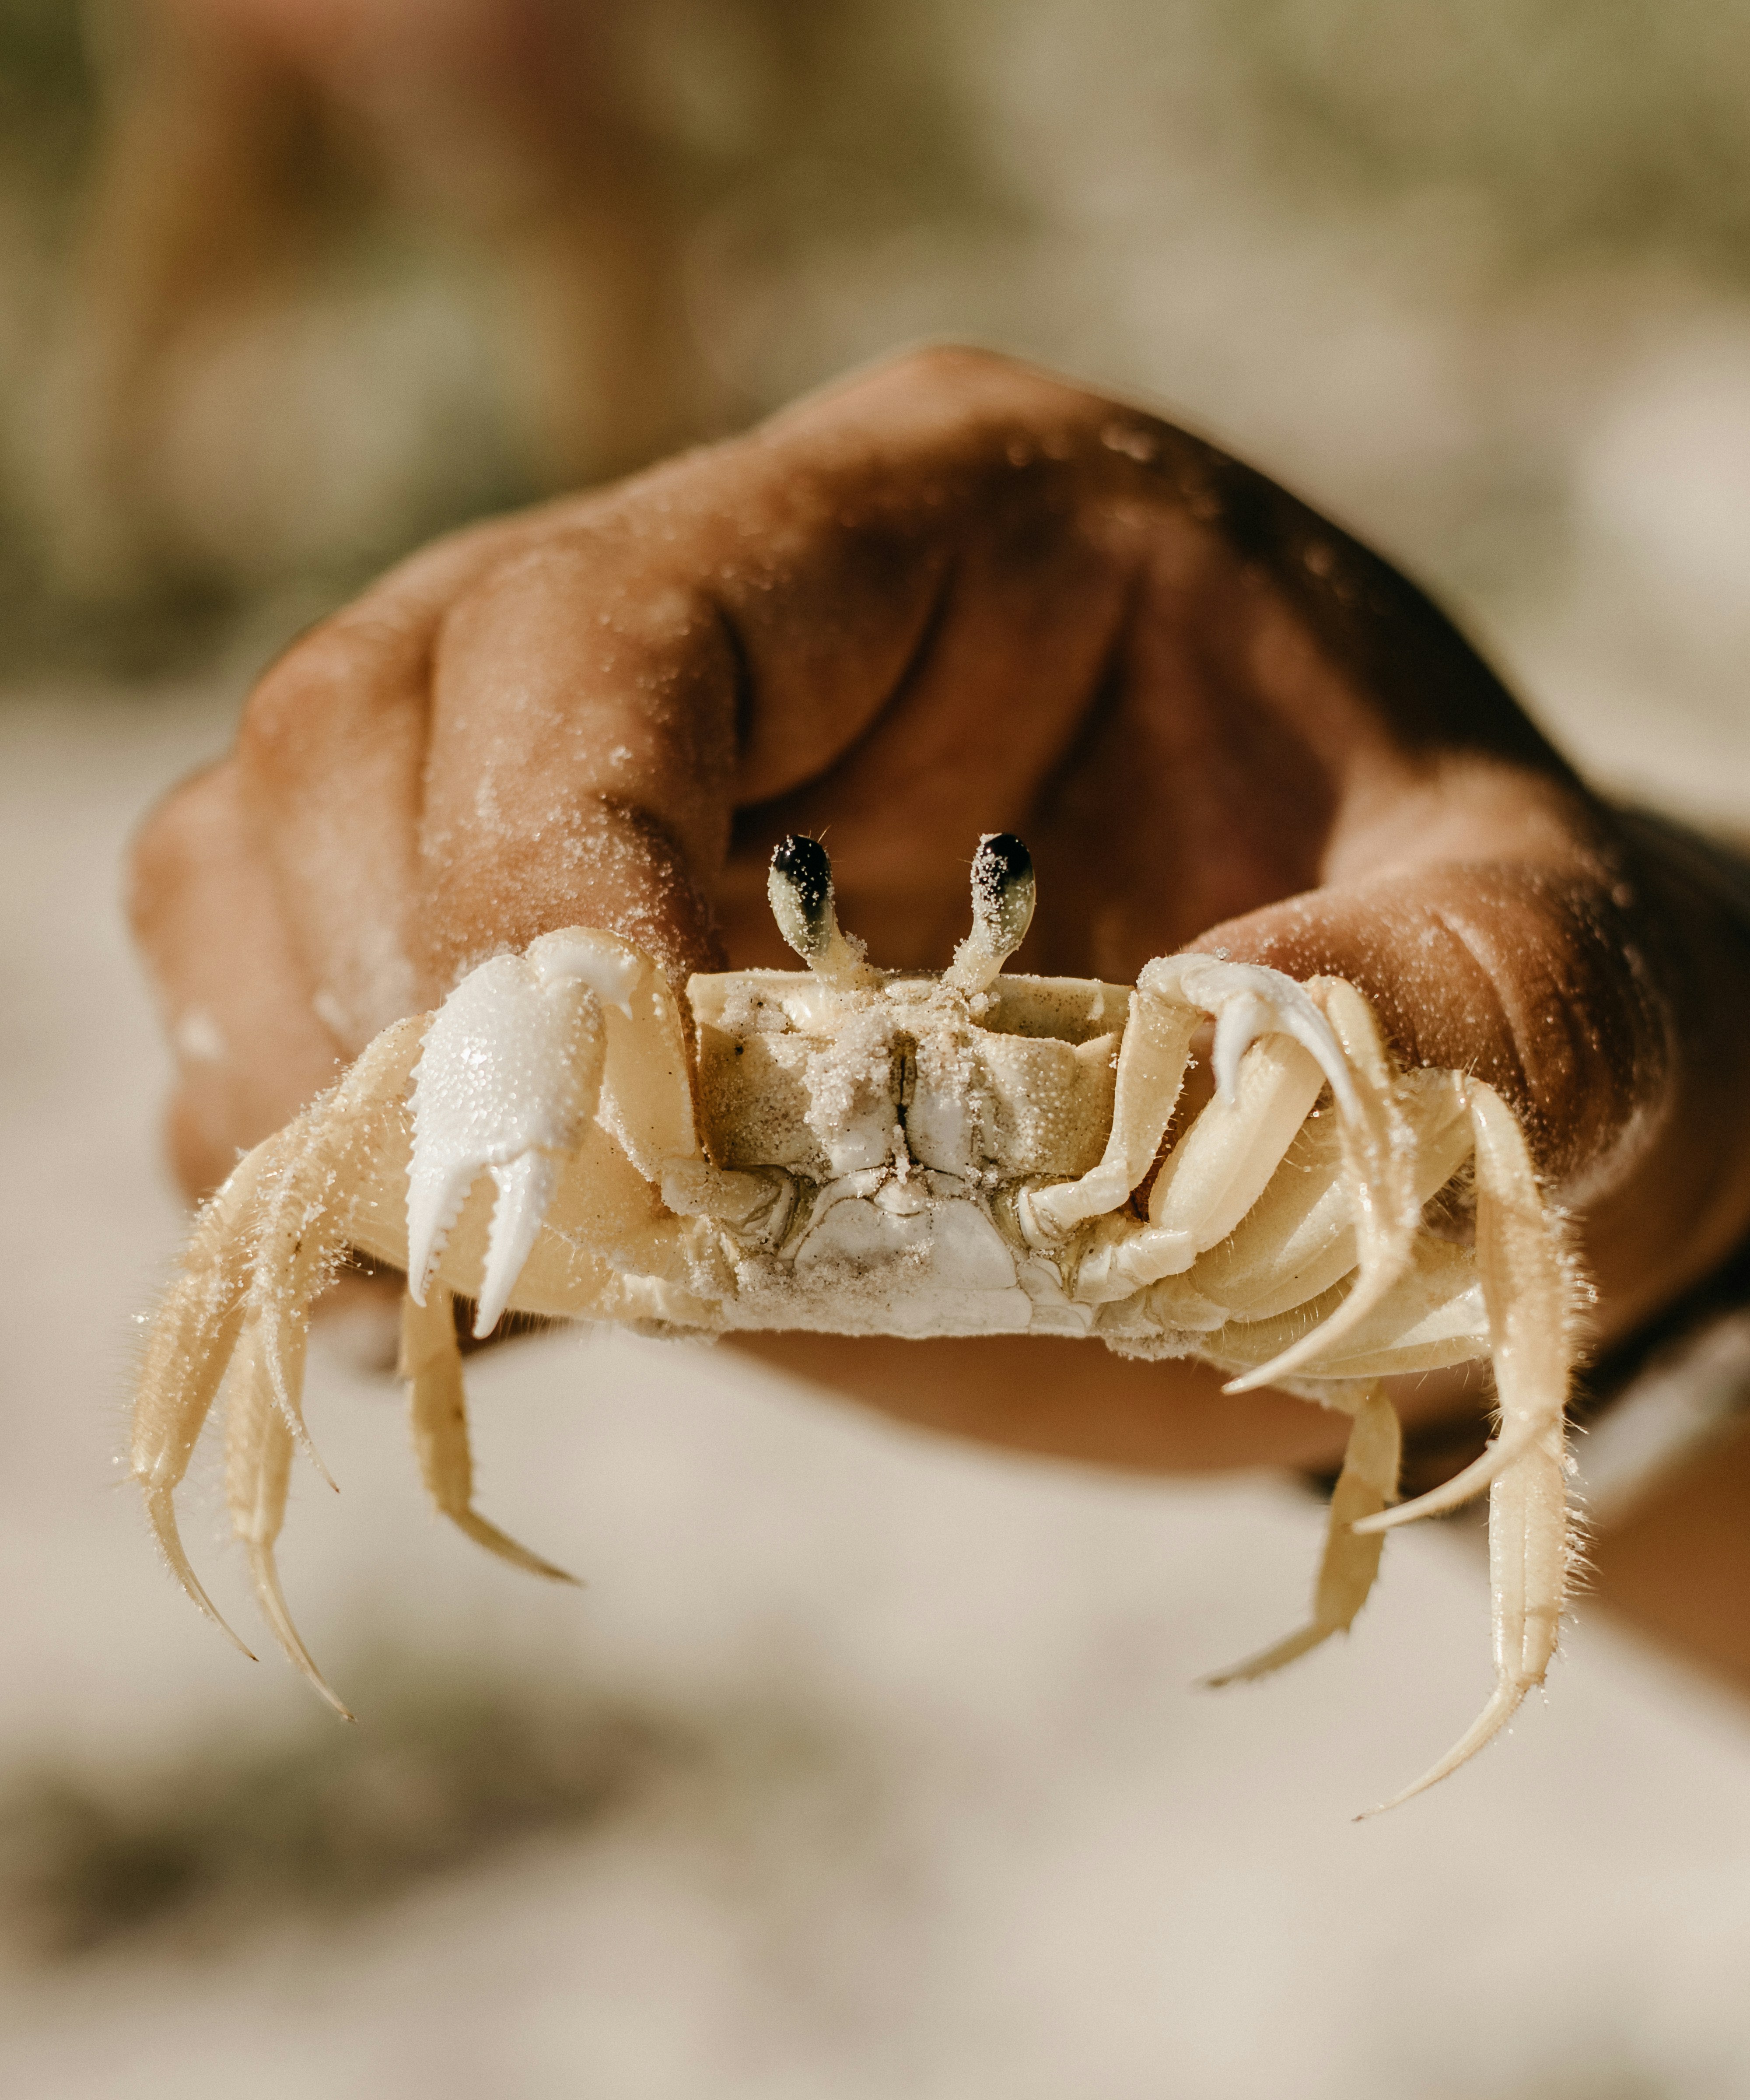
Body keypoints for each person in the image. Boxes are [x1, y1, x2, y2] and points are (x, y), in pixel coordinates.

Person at [127, 344, 1750, 1485]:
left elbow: (1509, 1223)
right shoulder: (672, 1120)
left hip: (1199, 1257)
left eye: (994, 951)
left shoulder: (1183, 1149)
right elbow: (314, 1167)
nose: (905, 1069)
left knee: (1474, 1172)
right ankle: (273, 1489)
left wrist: (1663, 1181)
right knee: (331, 1141)